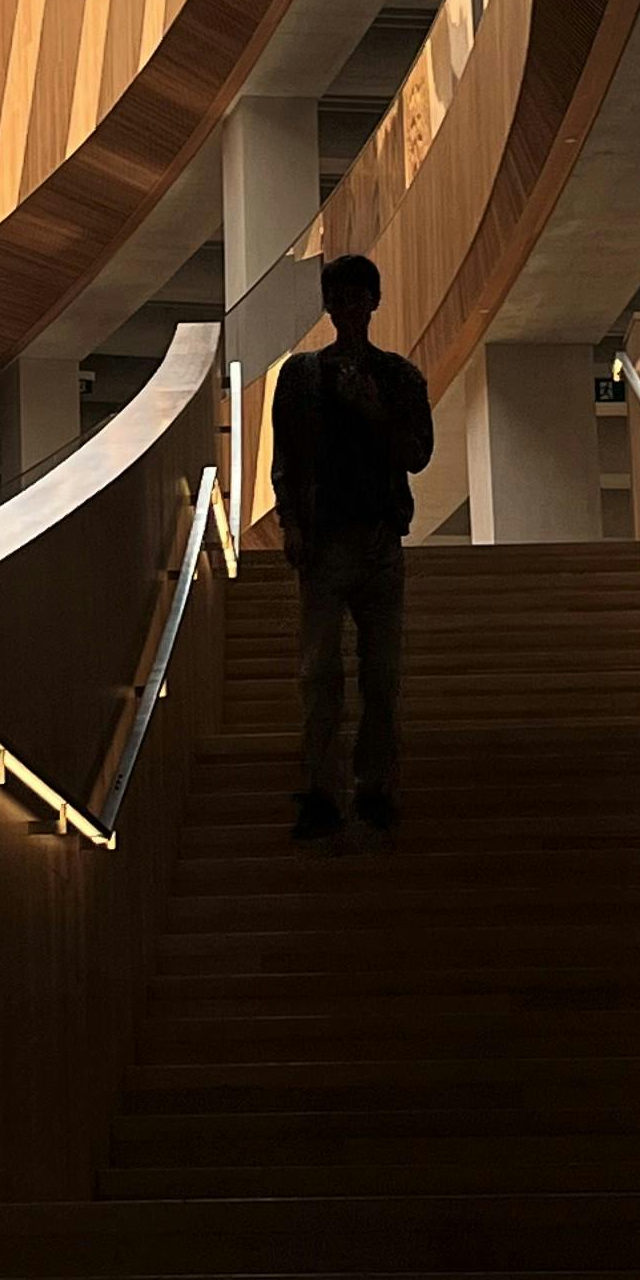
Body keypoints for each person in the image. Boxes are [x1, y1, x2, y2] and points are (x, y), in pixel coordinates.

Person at [270, 254, 434, 841]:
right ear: (330, 305)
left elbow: (417, 453)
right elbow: (286, 457)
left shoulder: (399, 377)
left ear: (373, 301)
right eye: (339, 298)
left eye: (358, 297)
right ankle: (321, 789)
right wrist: (290, 521)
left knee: (381, 675)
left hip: (380, 540)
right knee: (318, 673)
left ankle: (375, 789)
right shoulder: (301, 375)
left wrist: (373, 410)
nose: (349, 309)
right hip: (322, 543)